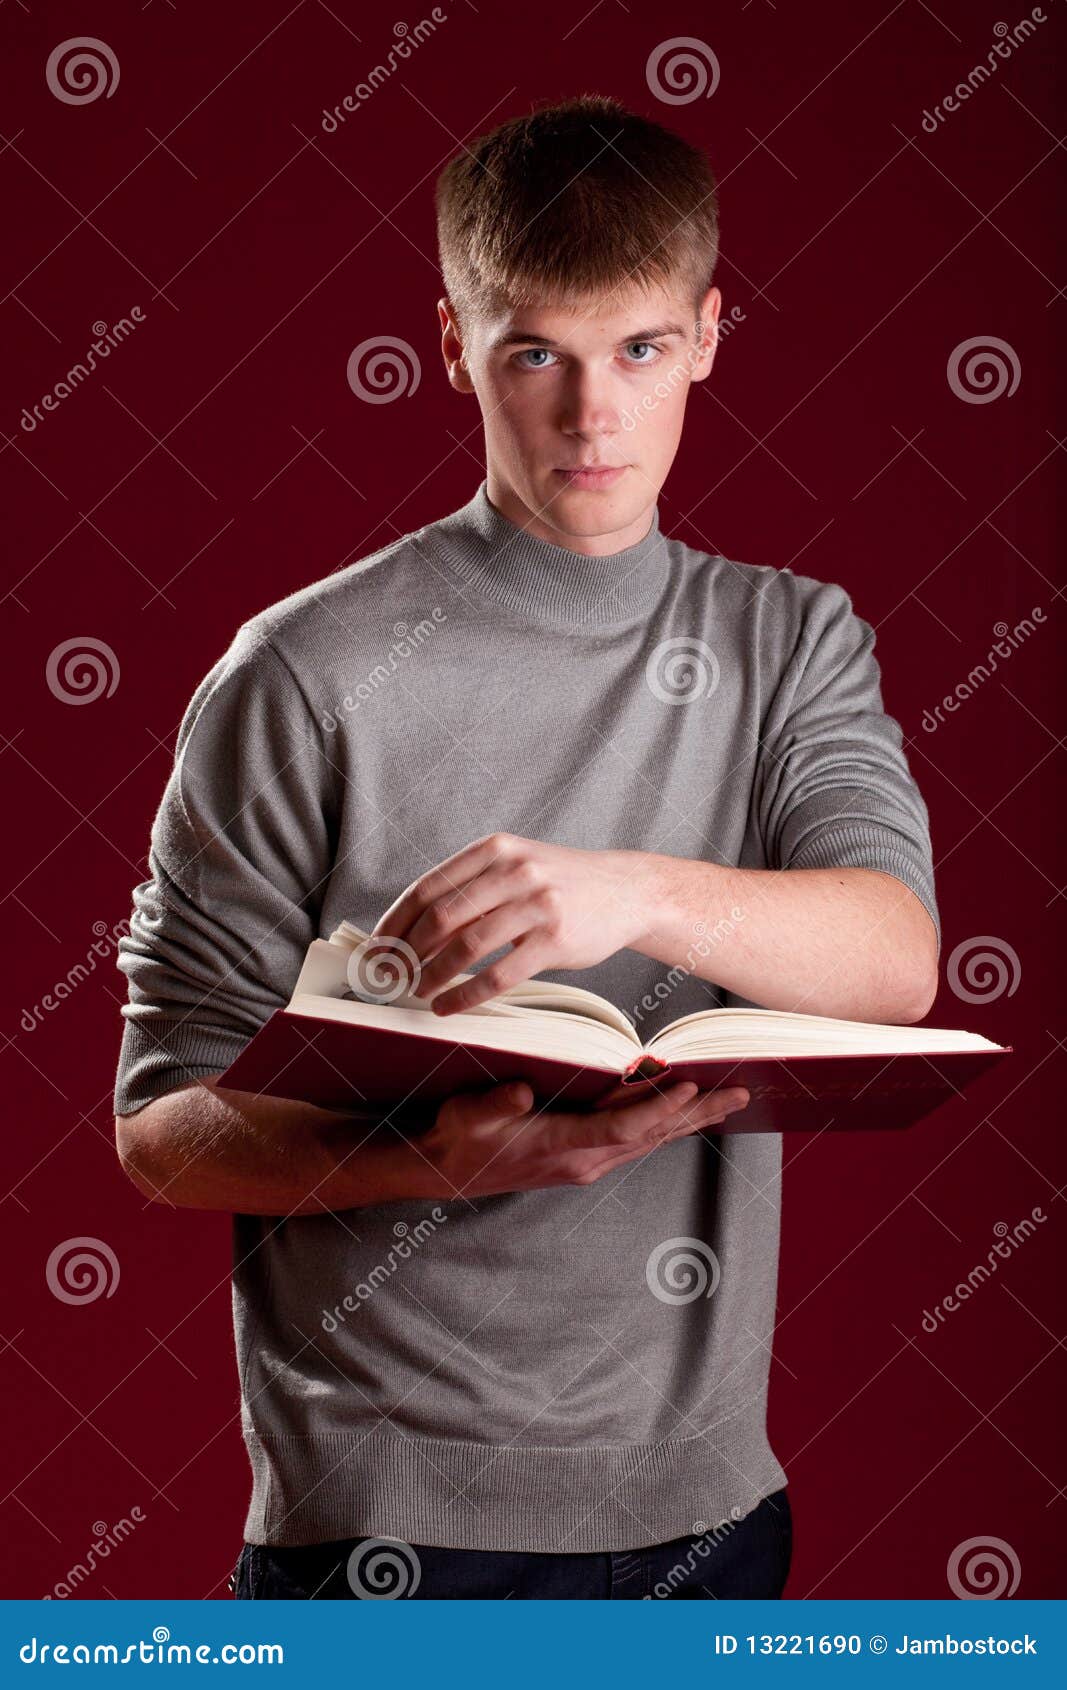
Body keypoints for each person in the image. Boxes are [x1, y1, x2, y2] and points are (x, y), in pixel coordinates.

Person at [112, 95, 939, 1601]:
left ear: (706, 337)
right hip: (384, 1518)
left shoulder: (790, 643)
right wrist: (416, 1154)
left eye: (636, 350)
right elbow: (162, 1128)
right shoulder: (299, 671)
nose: (591, 417)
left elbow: (892, 960)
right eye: (535, 354)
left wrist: (623, 888)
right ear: (452, 345)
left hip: (704, 1506)